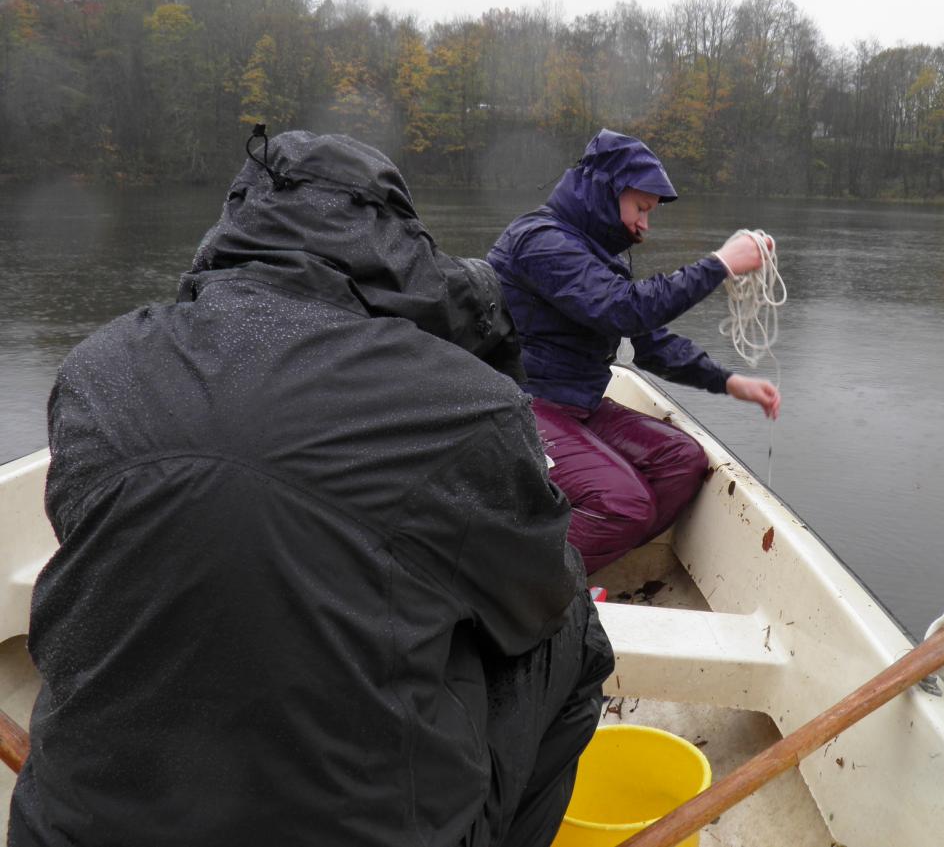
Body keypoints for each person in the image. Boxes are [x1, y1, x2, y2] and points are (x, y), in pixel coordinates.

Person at [10, 131, 614, 847]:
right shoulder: (461, 403)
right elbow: (534, 600)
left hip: (65, 832)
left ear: (231, 228)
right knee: (572, 623)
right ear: (401, 248)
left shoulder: (94, 370)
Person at [487, 129, 781, 573]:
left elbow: (649, 340)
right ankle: (522, 593)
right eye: (641, 207)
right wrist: (719, 264)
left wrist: (728, 381)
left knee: (682, 462)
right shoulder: (540, 240)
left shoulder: (597, 255)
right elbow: (623, 310)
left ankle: (578, 565)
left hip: (577, 404)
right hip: (522, 404)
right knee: (623, 503)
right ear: (605, 191)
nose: (645, 223)